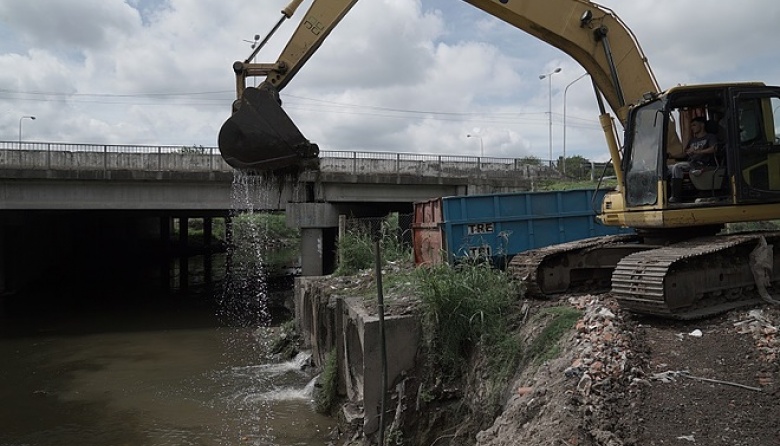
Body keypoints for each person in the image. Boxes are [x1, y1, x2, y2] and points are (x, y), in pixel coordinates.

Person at [668, 116, 718, 203]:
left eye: (694, 125)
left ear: (702, 125)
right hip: (691, 163)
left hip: (702, 164)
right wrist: (671, 156)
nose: (692, 128)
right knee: (667, 168)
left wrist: (697, 151)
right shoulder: (692, 140)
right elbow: (685, 154)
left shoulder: (710, 137)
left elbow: (714, 148)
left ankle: (676, 197)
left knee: (677, 167)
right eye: (691, 126)